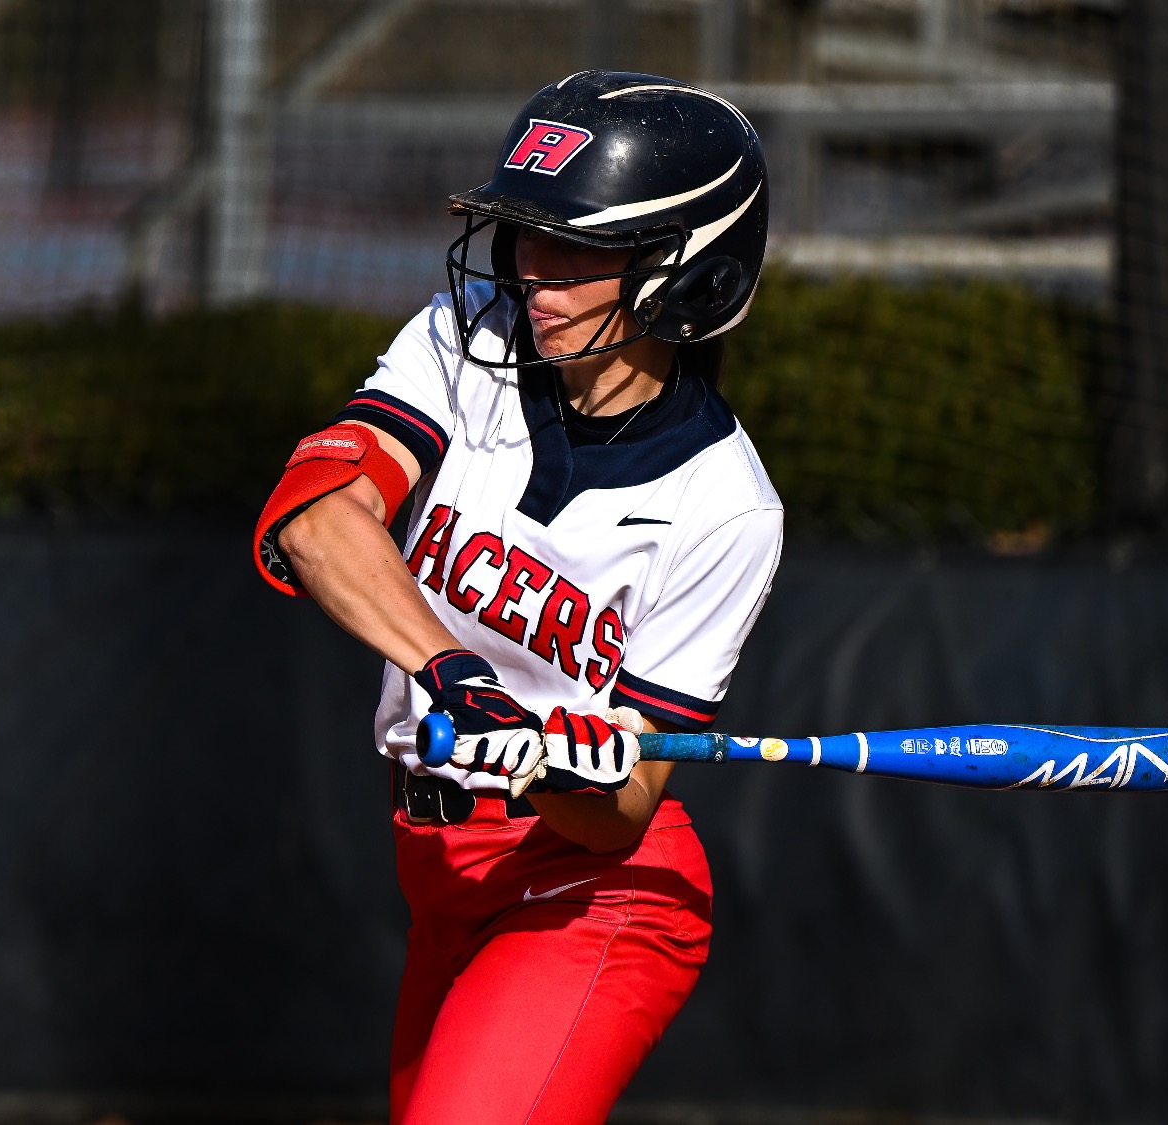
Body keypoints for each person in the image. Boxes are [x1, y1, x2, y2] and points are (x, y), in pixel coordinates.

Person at [252, 70, 784, 1125]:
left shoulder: (727, 510)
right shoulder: (466, 340)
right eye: (527, 235)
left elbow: (620, 812)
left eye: (578, 247)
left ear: (688, 274)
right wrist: (459, 679)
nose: (530, 270)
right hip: (437, 872)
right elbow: (316, 519)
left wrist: (543, 761)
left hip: (593, 895)